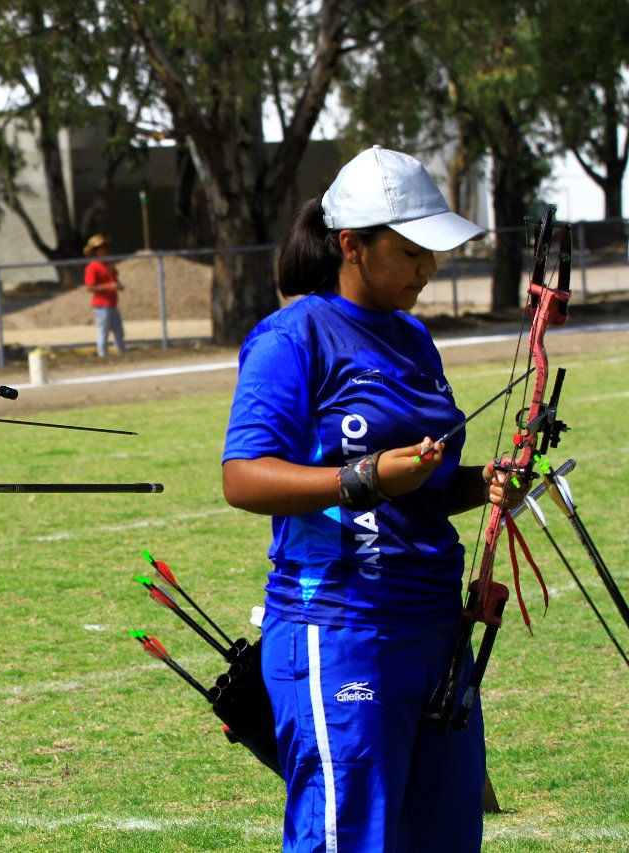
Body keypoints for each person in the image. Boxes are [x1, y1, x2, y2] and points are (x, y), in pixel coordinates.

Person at [221, 146, 522, 852]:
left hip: (433, 629)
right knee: (353, 837)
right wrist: (364, 479)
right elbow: (243, 477)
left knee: (446, 837)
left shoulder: (415, 338)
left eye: (433, 252)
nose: (430, 268)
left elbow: (424, 486)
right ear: (352, 245)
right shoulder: (293, 338)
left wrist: (483, 481)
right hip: (343, 630)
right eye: (413, 250)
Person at [82, 233, 126, 357]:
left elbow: (114, 278)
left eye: (106, 246)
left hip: (112, 303)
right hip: (101, 305)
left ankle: (122, 353)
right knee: (103, 331)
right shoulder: (92, 267)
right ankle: (103, 356)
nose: (106, 249)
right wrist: (109, 286)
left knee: (119, 331)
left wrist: (118, 285)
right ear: (96, 251)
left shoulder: (109, 263)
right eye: (102, 247)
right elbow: (89, 287)